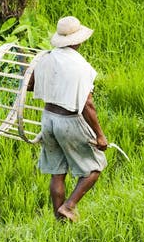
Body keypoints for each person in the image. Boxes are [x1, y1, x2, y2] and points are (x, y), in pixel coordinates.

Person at [27, 15, 108, 222]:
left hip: (48, 119)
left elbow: (29, 85)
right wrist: (100, 135)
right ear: (78, 40)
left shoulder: (44, 58)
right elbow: (87, 105)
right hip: (68, 121)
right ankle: (69, 207)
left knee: (57, 172)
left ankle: (59, 220)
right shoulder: (80, 67)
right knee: (94, 168)